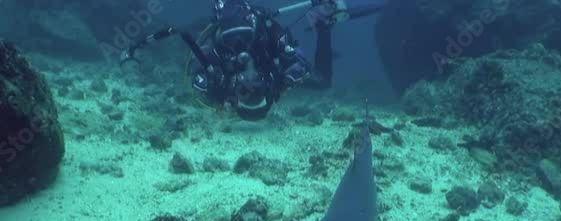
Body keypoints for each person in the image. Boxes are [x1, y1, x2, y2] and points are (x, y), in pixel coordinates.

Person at [120, 0, 382, 120]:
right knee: (322, 82)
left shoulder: (261, 38)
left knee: (322, 81)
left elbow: (296, 59)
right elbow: (299, 62)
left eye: (246, 93)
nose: (250, 84)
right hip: (265, 53)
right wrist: (285, 80)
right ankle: (325, 25)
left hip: (265, 49)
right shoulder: (223, 63)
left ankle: (324, 24)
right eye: (256, 92)